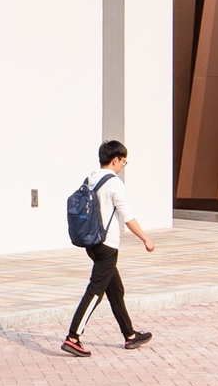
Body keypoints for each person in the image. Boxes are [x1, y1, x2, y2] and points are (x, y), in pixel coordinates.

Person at [62, 140, 156, 357]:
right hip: (107, 245)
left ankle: (129, 335)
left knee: (115, 290)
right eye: (123, 162)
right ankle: (73, 337)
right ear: (115, 160)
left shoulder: (90, 179)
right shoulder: (114, 184)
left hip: (92, 243)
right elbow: (127, 216)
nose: (123, 166)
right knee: (95, 291)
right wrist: (146, 239)